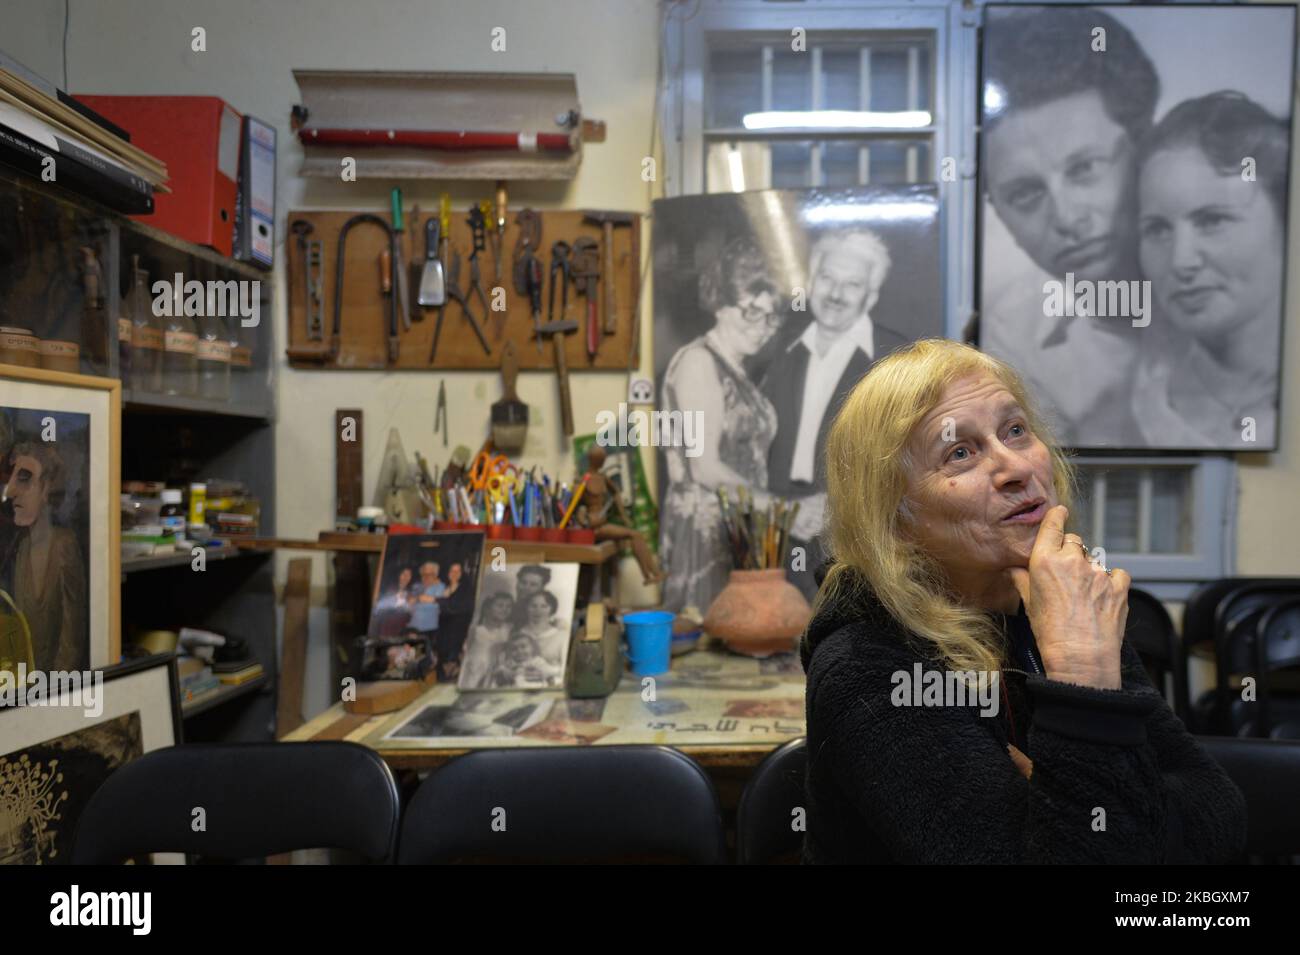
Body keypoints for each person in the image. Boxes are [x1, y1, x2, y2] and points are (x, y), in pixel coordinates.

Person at [802, 338, 1245, 863]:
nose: (1016, 467)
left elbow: (1220, 814)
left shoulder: (1060, 610)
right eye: (959, 453)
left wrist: (1065, 796)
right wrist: (1080, 672)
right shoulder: (869, 669)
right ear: (898, 520)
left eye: (1015, 430)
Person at [979, 7, 1157, 447]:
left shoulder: (1237, 280)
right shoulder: (1010, 339)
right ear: (998, 209)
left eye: (1085, 169)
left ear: (1144, 153)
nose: (1066, 218)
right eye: (1026, 193)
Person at [1132, 92, 1287, 448]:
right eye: (1157, 229)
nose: (1181, 261)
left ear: (1283, 223)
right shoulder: (1137, 408)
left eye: (1213, 220)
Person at [760, 229, 909, 599]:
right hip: (770, 526)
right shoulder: (773, 345)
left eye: (853, 284)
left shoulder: (897, 359)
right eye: (827, 278)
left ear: (870, 296)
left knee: (835, 641)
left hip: (852, 532)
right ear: (811, 282)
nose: (836, 294)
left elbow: (907, 455)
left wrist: (835, 503)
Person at [660, 237, 781, 613]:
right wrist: (778, 507)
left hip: (738, 529)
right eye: (751, 312)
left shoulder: (737, 372)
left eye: (772, 315)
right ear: (720, 305)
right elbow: (704, 466)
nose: (764, 327)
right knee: (705, 646)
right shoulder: (698, 362)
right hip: (703, 533)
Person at [3, 442, 86, 671]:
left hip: (55, 694)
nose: (10, 491)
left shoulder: (64, 545)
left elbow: (72, 640)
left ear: (47, 488)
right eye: (11, 479)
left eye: (24, 478)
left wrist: (52, 698)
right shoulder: (20, 548)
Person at [459, 591, 515, 689]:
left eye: (509, 606)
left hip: (497, 671)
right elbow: (466, 651)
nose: (505, 609)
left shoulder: (509, 629)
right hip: (475, 669)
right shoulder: (476, 630)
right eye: (500, 605)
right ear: (487, 608)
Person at [515, 589, 568, 678]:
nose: (538, 610)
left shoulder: (562, 636)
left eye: (544, 606)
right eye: (533, 606)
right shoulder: (517, 634)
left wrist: (549, 672)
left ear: (552, 609)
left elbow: (566, 669)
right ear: (526, 608)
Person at [488, 632, 562, 688]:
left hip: (534, 689)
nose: (519, 651)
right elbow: (496, 671)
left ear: (532, 648)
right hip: (514, 692)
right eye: (514, 649)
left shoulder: (537, 661)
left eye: (523, 647)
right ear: (509, 652)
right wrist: (503, 670)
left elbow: (551, 671)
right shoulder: (510, 663)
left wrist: (542, 673)